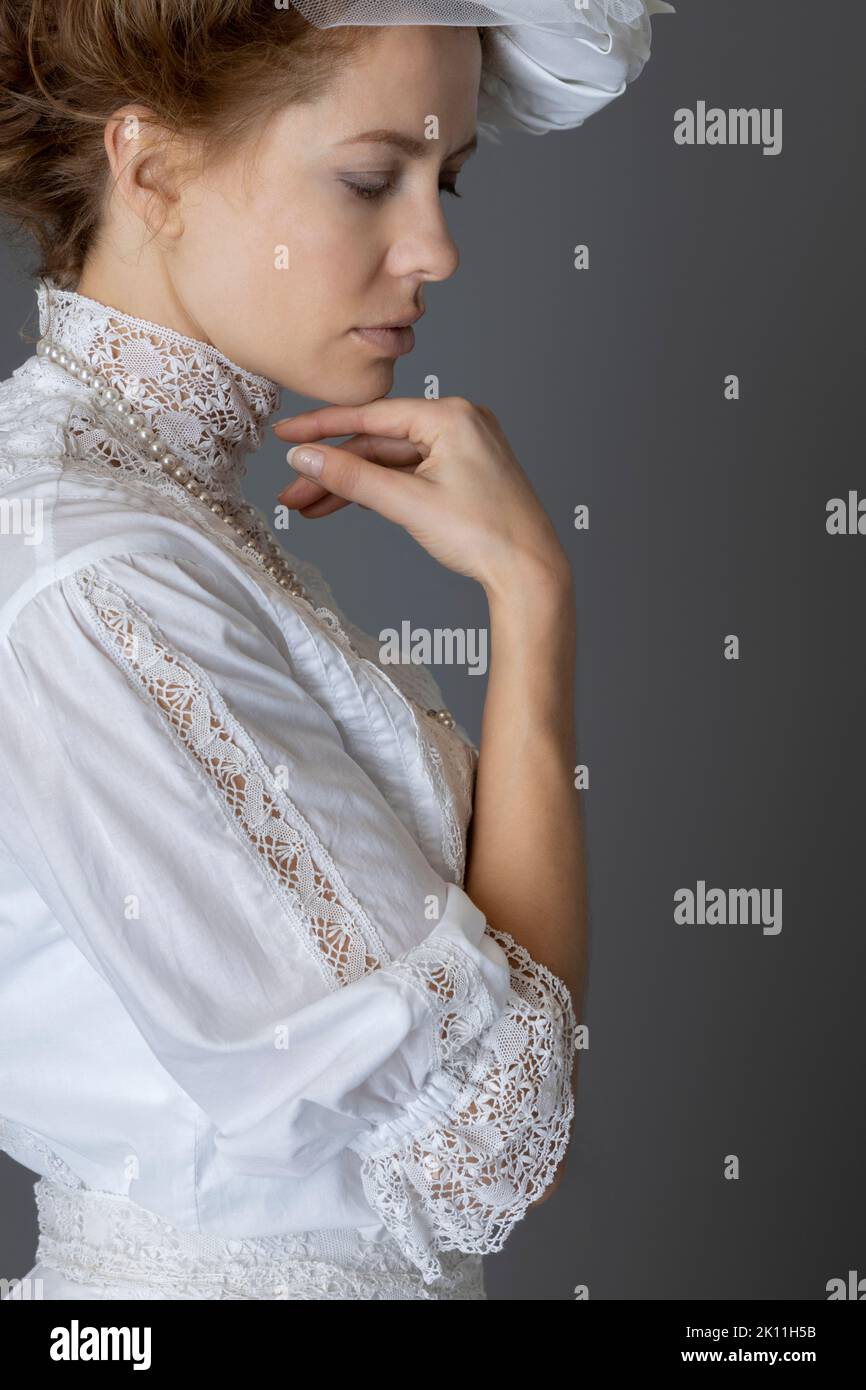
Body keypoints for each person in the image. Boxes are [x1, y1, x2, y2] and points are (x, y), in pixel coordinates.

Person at [0, 0, 671, 1300]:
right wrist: (530, 602)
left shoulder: (152, 522)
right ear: (151, 168)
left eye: (448, 179)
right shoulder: (91, 565)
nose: (434, 247)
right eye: (373, 178)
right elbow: (494, 1144)